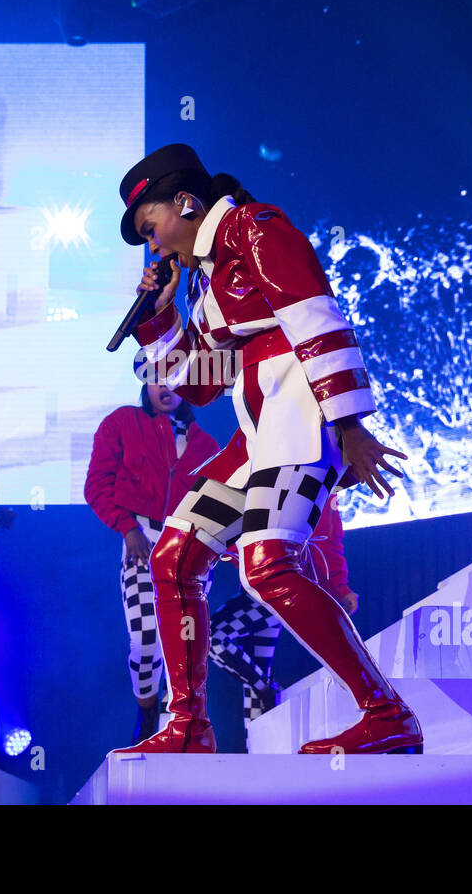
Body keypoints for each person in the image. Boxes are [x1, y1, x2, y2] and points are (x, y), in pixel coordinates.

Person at [111, 143, 422, 755]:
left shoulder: (257, 229)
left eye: (152, 227)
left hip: (302, 414)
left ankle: (386, 714)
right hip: (258, 429)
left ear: (184, 201)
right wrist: (156, 319)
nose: (154, 246)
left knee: (267, 564)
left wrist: (350, 424)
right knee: (172, 558)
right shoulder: (203, 278)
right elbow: (200, 383)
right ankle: (188, 728)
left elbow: (320, 320)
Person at [84, 367, 221, 745]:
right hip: (141, 540)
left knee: (184, 645)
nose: (167, 387)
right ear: (146, 384)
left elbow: (218, 505)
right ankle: (147, 711)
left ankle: (178, 725)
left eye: (175, 379)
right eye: (159, 379)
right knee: (146, 640)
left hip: (189, 545)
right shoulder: (122, 422)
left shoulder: (207, 445)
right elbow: (96, 486)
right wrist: (127, 528)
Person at [209, 492, 355, 729]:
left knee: (214, 639)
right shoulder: (266, 474)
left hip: (283, 583)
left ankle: (268, 689)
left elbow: (330, 541)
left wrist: (340, 587)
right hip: (256, 580)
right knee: (255, 669)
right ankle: (259, 749)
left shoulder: (324, 491)